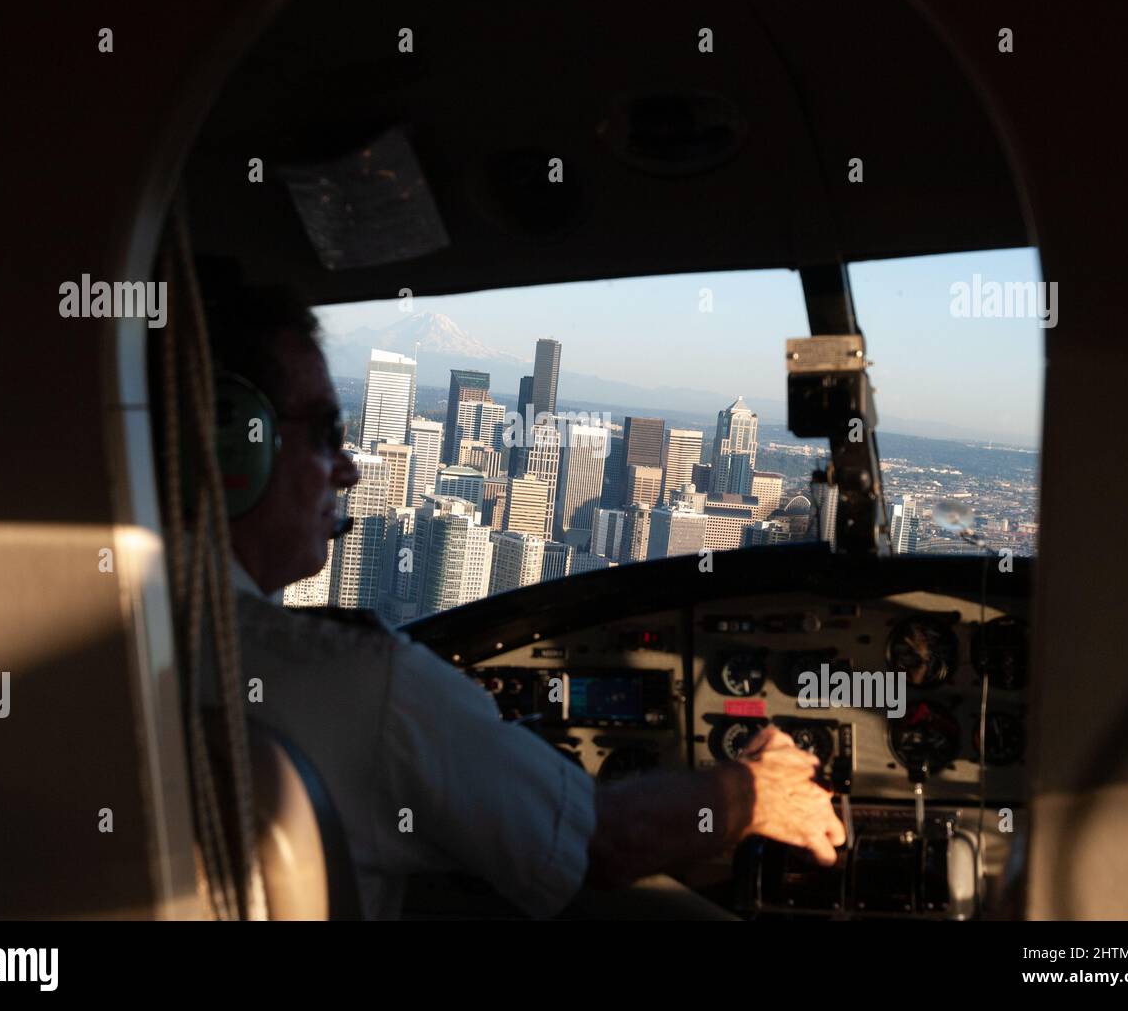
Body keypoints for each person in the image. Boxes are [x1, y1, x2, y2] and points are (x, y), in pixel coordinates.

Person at [202, 284, 846, 920]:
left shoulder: (148, 645)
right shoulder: (358, 683)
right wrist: (752, 791)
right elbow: (599, 841)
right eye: (322, 431)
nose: (349, 469)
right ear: (231, 440)